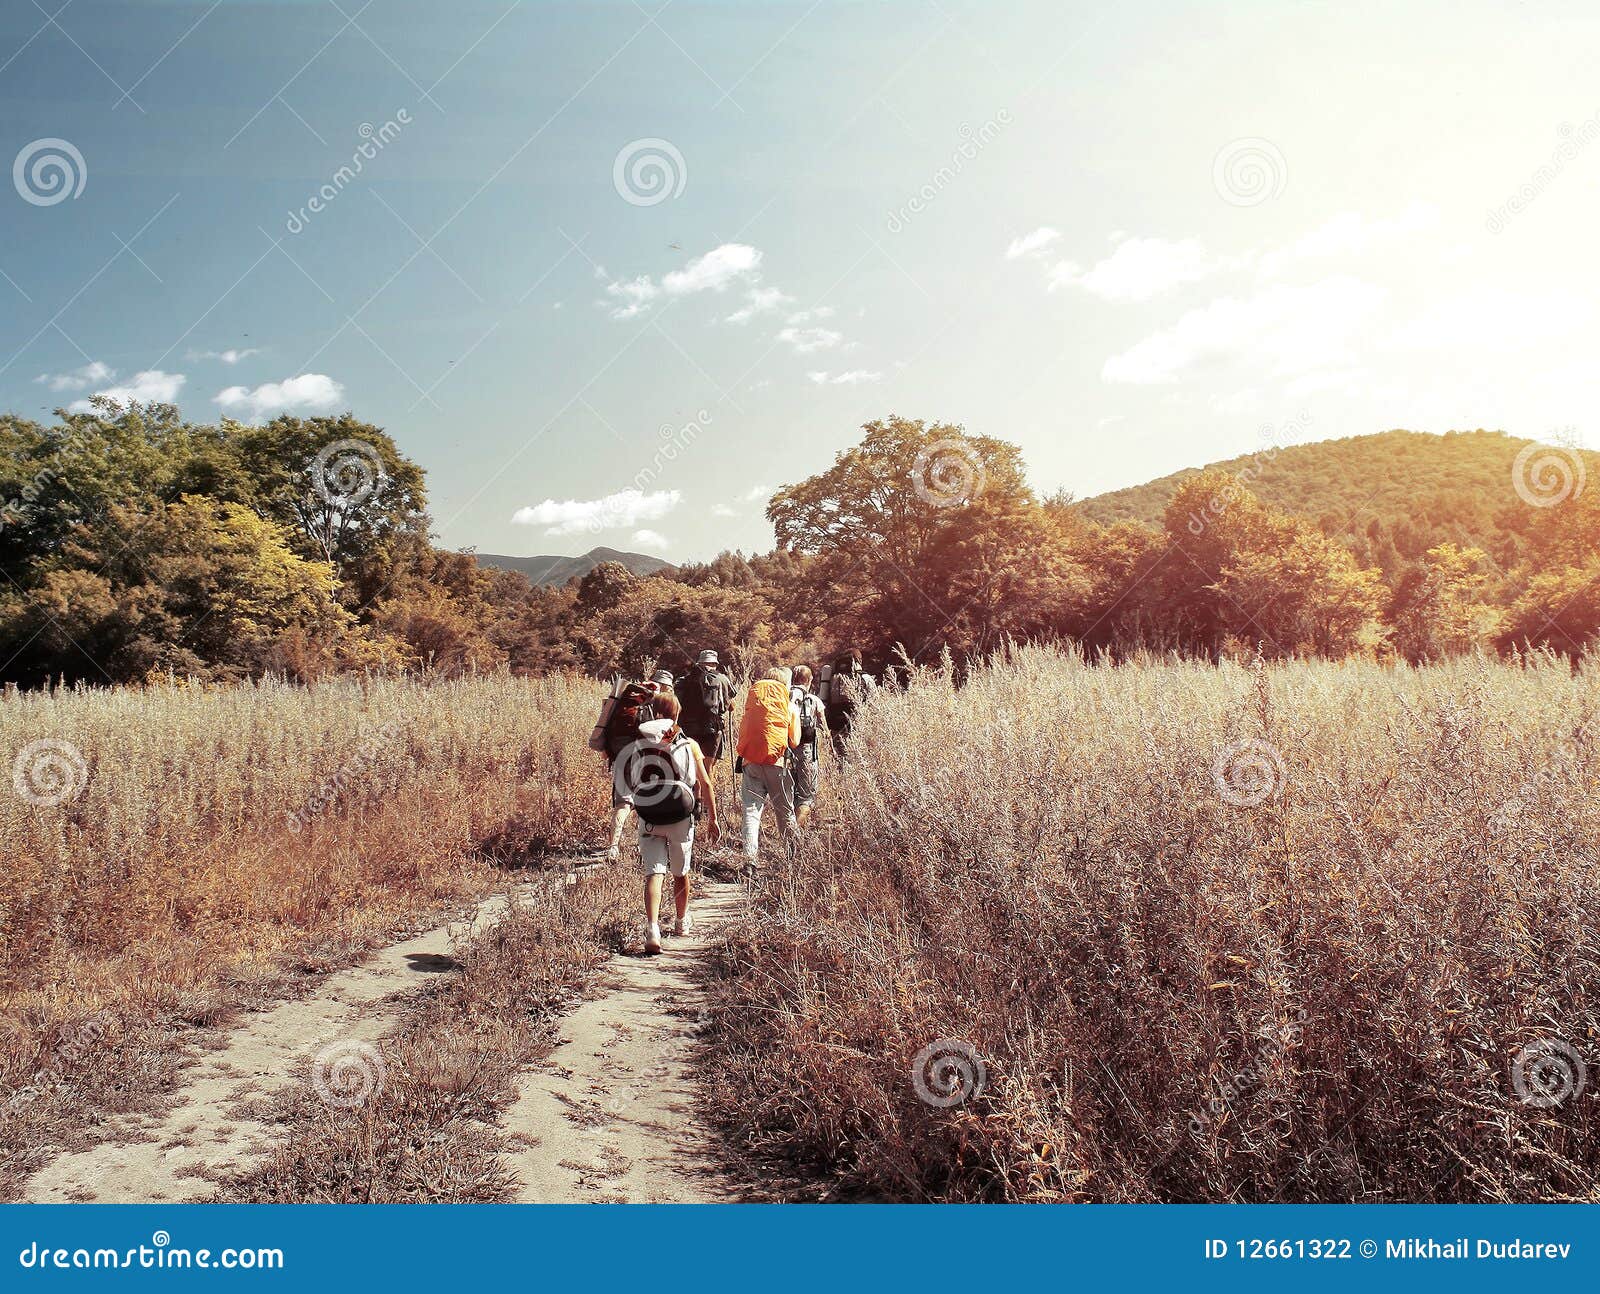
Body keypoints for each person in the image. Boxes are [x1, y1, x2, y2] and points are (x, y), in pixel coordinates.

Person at [618, 690, 719, 954]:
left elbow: (631, 778)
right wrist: (713, 819)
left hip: (649, 812)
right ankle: (681, 921)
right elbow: (705, 783)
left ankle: (652, 928)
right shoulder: (689, 743)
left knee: (654, 872)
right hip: (680, 813)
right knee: (680, 871)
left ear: (653, 713)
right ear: (677, 714)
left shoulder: (639, 742)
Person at [736, 666, 800, 867]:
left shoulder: (753, 704)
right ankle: (792, 858)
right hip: (778, 763)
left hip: (750, 763)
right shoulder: (789, 707)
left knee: (751, 812)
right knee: (784, 811)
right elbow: (795, 741)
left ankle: (750, 860)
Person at [675, 649, 737, 780]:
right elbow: (731, 705)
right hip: (712, 730)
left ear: (699, 663)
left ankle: (694, 798)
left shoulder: (684, 680)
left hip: (688, 730)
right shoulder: (721, 679)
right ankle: (706, 798)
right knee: (708, 769)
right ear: (714, 663)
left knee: (690, 766)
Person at [787, 664, 824, 827]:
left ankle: (787, 826)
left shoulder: (784, 696)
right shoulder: (814, 700)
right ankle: (795, 833)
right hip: (807, 751)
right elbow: (824, 726)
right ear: (809, 680)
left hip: (785, 750)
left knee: (790, 792)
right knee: (806, 796)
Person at [822, 650, 872, 760]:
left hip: (836, 725)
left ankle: (840, 774)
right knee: (859, 757)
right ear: (859, 661)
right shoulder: (865, 678)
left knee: (839, 757)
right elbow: (875, 701)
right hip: (858, 725)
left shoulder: (832, 679)